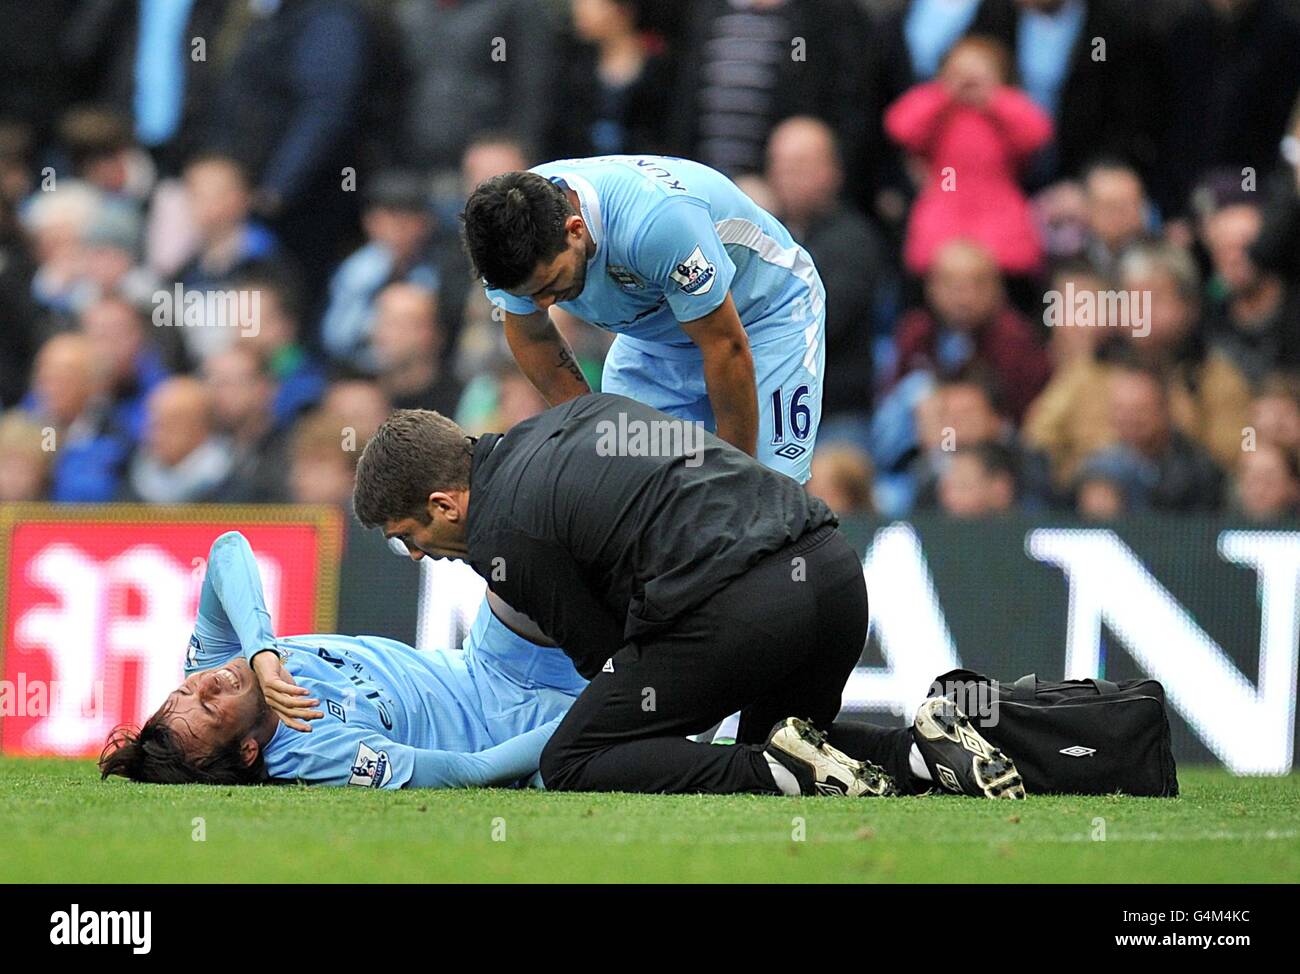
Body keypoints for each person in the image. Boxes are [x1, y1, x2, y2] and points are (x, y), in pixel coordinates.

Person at [352, 396, 1026, 799]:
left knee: (573, 758)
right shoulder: (562, 420)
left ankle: (783, 775)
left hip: (753, 609)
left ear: (443, 503)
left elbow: (618, 668)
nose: (414, 555)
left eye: (407, 536)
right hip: (836, 573)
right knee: (785, 742)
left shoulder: (503, 537)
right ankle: (922, 750)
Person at [99, 531, 586, 788]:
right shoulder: (317, 756)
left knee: (530, 552)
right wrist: (588, 717)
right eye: (208, 707)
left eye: (185, 689)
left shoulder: (222, 661)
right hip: (515, 725)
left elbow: (228, 550)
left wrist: (262, 651)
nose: (206, 685)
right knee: (640, 709)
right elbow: (472, 772)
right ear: (248, 750)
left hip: (488, 662)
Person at [462, 154, 828, 482]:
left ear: (575, 230)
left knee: (769, 492)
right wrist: (589, 426)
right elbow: (534, 336)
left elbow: (725, 346)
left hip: (764, 319)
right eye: (528, 295)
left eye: (552, 284)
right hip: (655, 340)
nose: (542, 303)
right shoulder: (505, 241)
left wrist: (738, 482)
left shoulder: (656, 224)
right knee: (640, 492)